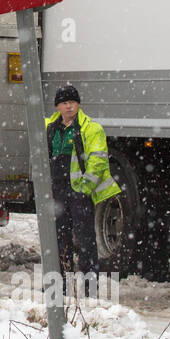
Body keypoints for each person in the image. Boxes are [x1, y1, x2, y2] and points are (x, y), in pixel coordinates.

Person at [44, 84, 121, 295]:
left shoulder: (91, 128)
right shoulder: (49, 127)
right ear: (57, 106)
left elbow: (98, 161)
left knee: (85, 239)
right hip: (56, 189)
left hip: (79, 192)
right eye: (65, 103)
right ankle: (59, 285)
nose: (70, 107)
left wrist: (85, 187)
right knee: (59, 238)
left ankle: (90, 287)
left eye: (73, 103)